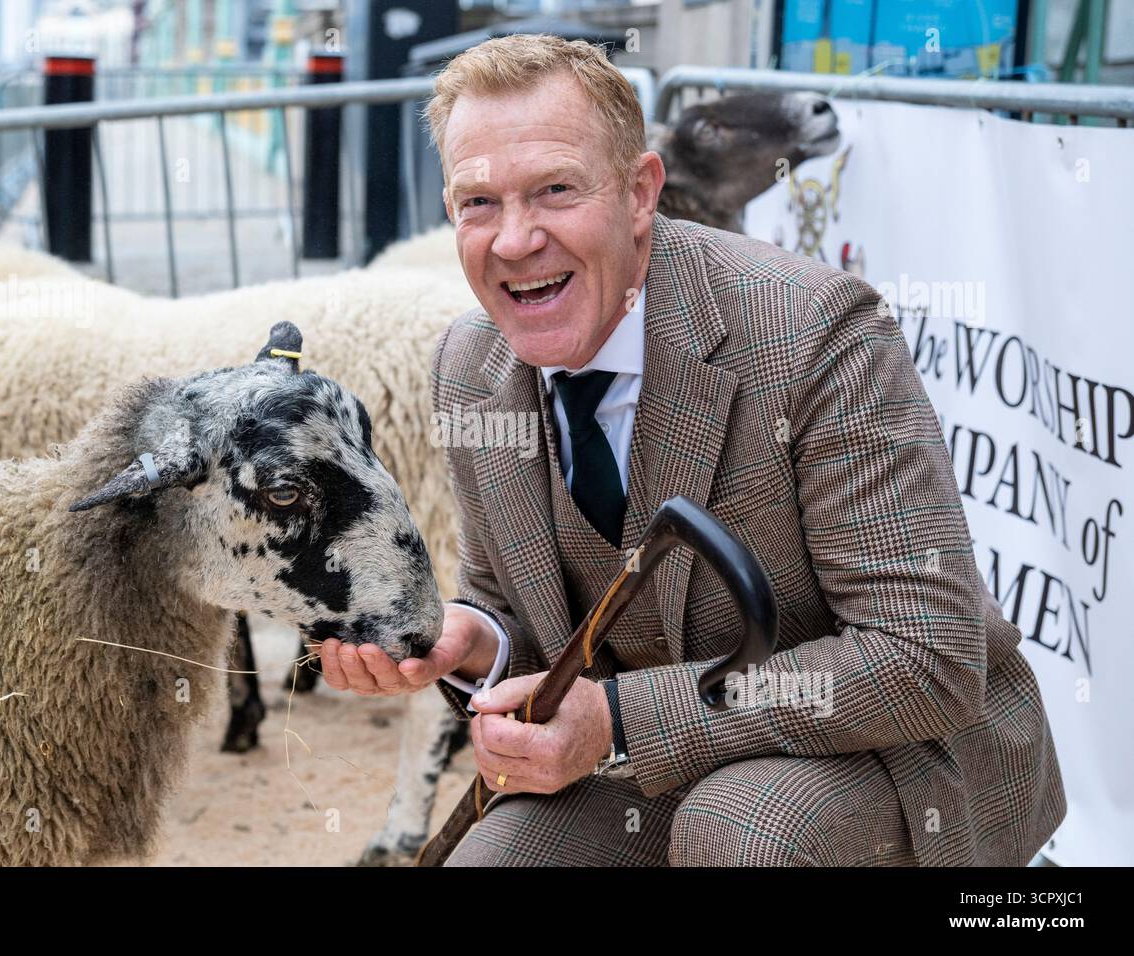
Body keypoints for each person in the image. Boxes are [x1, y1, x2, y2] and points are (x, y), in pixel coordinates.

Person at [315, 34, 1065, 866]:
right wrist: (469, 641)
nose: (514, 240)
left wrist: (624, 720)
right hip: (656, 763)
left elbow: (927, 656)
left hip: (893, 749)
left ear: (640, 193)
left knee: (742, 830)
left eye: (556, 191)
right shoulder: (470, 364)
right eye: (478, 203)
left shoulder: (816, 332)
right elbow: (520, 613)